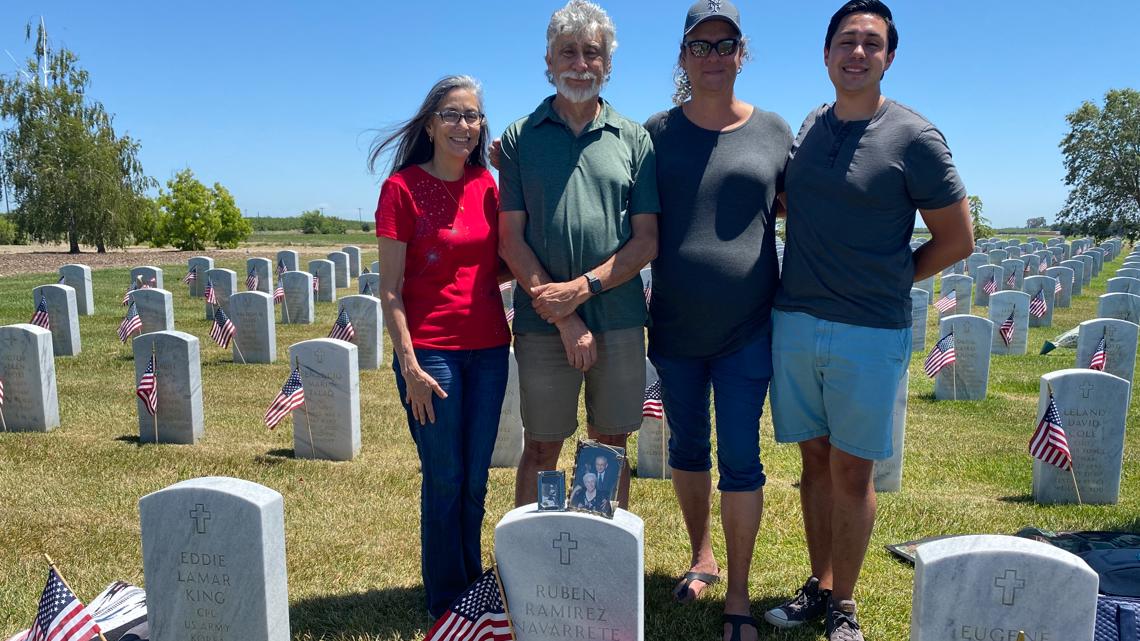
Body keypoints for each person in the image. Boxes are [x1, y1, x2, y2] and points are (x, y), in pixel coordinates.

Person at [763, 3, 973, 640]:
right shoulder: (810, 127)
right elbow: (787, 199)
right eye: (846, 41)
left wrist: (893, 277)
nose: (857, 53)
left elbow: (957, 238)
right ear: (826, 54)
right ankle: (819, 582)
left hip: (870, 330)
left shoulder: (916, 138)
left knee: (853, 470)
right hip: (797, 320)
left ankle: (845, 604)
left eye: (871, 43)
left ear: (889, 57)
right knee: (814, 460)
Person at [643, 3, 792, 640]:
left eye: (724, 44)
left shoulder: (775, 132)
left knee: (741, 457)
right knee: (686, 447)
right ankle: (701, 554)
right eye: (699, 45)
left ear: (742, 53)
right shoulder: (654, 133)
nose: (712, 56)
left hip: (747, 329)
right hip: (675, 327)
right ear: (683, 56)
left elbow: (807, 207)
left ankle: (738, 594)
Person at [497, 0, 659, 512]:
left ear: (608, 64)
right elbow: (510, 240)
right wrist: (564, 315)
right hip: (543, 322)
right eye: (568, 51)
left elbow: (645, 240)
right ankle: (531, 552)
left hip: (618, 318)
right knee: (542, 447)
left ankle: (602, 552)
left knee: (611, 444)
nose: (580, 63)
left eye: (592, 52)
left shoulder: (633, 138)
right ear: (549, 60)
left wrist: (582, 290)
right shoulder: (520, 137)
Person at [370, 75, 511, 620]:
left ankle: (470, 584)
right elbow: (390, 289)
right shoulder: (401, 189)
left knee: (475, 478)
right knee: (445, 476)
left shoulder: (487, 186)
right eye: (452, 114)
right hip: (431, 354)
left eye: (472, 116)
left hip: (490, 349)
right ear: (429, 125)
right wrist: (408, 364)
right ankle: (447, 602)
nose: (463, 125)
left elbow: (499, 262)